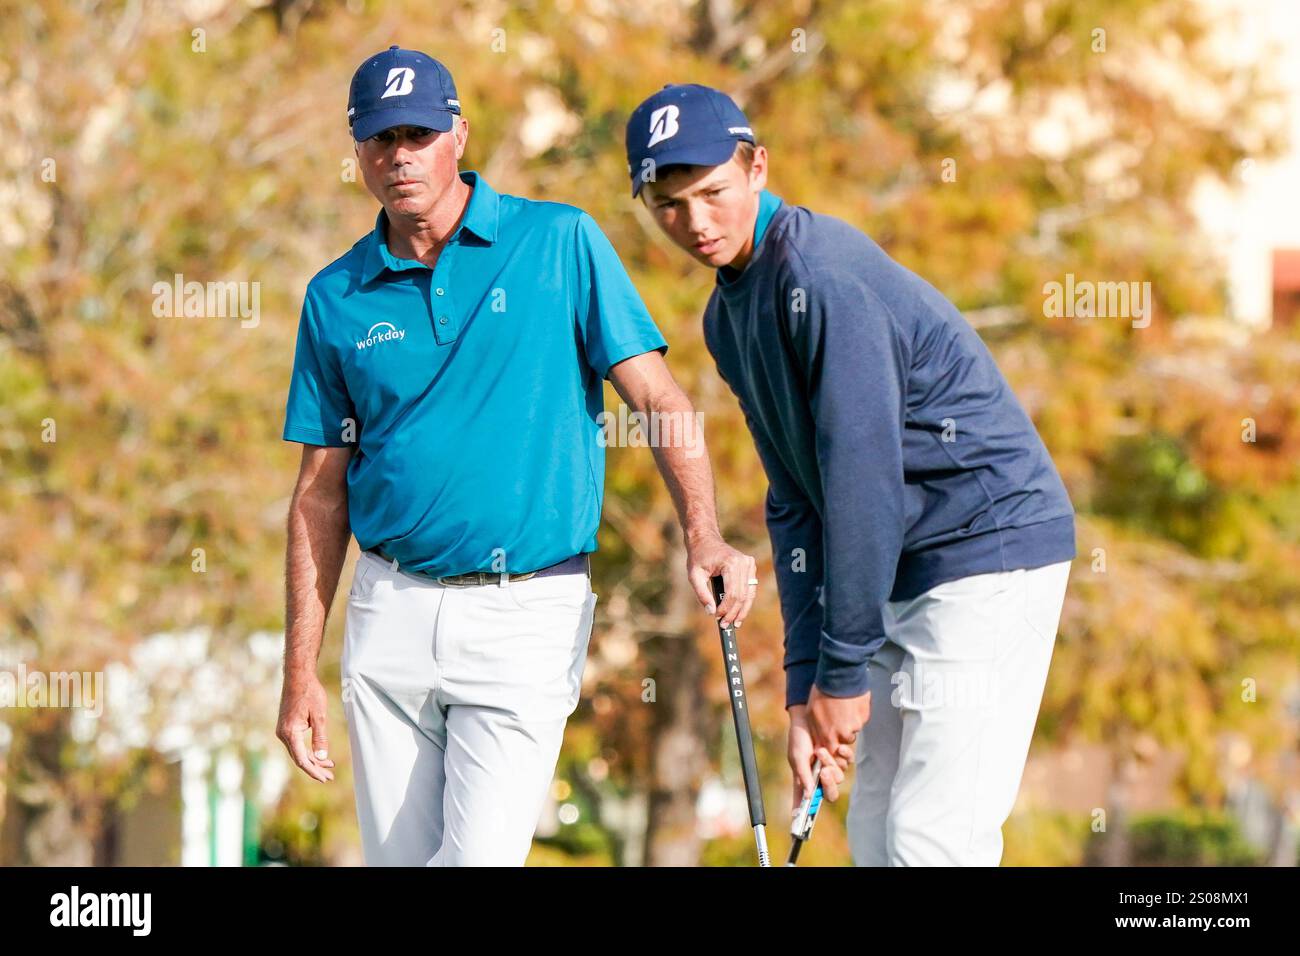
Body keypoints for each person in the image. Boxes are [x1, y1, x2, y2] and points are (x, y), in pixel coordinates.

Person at [277, 51, 756, 866]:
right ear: (356, 152)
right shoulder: (336, 294)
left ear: (458, 133)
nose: (399, 156)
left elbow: (661, 403)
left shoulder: (558, 241)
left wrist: (702, 534)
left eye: (418, 134)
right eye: (379, 138)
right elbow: (321, 496)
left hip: (525, 611)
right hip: (387, 612)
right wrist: (299, 671)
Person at [625, 83, 1077, 865]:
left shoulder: (821, 278)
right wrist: (806, 690)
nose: (695, 223)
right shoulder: (727, 315)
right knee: (874, 834)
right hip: (899, 569)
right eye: (668, 205)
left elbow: (863, 483)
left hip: (985, 556)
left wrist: (843, 675)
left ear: (758, 167)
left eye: (713, 193)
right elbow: (798, 502)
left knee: (933, 839)